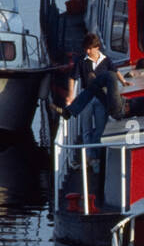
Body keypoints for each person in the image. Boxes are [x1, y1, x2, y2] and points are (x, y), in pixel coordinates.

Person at [53, 33, 124, 169]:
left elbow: (115, 71)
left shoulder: (106, 60)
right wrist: (70, 96)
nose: (87, 51)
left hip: (101, 98)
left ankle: (94, 156)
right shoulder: (81, 61)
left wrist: (124, 82)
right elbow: (73, 78)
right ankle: (90, 157)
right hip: (87, 98)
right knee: (86, 130)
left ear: (97, 48)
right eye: (86, 48)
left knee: (100, 128)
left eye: (89, 49)